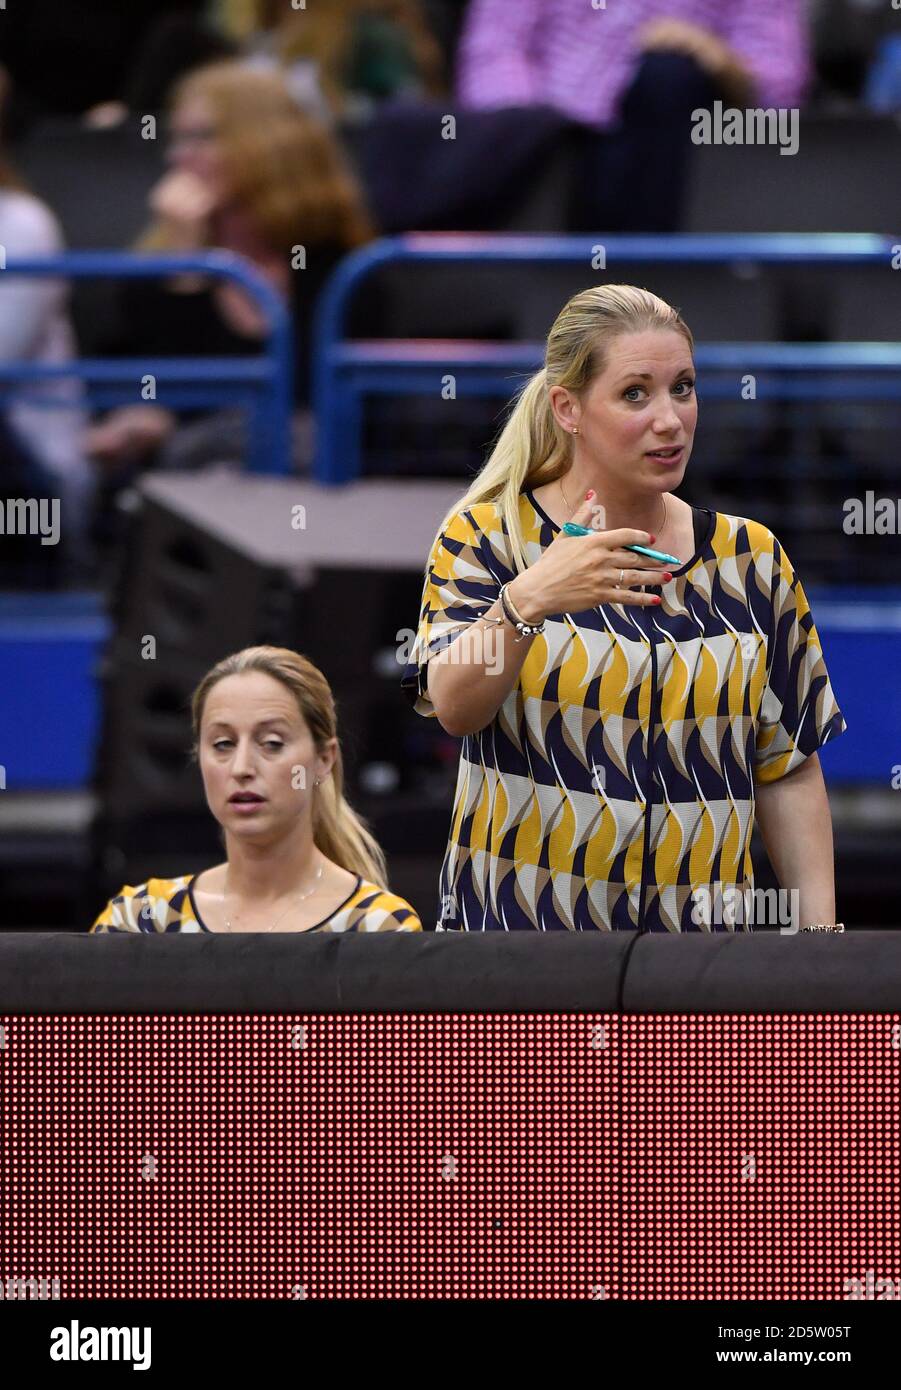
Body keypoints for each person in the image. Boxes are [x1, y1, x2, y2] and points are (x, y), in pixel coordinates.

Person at [401, 284, 847, 933]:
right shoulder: (486, 536)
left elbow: (787, 767)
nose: (668, 418)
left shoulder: (751, 558)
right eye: (635, 393)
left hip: (697, 971)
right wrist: (528, 599)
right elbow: (454, 707)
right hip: (519, 962)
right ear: (567, 408)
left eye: (683, 388)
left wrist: (817, 942)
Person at [87, 60, 376, 478]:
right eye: (176, 139)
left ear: (269, 145)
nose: (178, 156)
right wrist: (188, 271)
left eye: (200, 138)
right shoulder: (154, 277)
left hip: (314, 488)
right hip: (187, 487)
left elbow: (317, 401)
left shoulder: (341, 270)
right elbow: (169, 399)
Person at [92, 645, 422, 933]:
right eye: (222, 744)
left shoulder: (376, 927)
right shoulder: (142, 921)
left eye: (272, 743)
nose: (242, 768)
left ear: (323, 759)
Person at [455, 0, 811, 231]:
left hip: (688, 154)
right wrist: (536, 128)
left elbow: (778, 92)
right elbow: (494, 55)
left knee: (667, 77)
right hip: (551, 149)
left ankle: (648, 292)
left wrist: (715, 57)